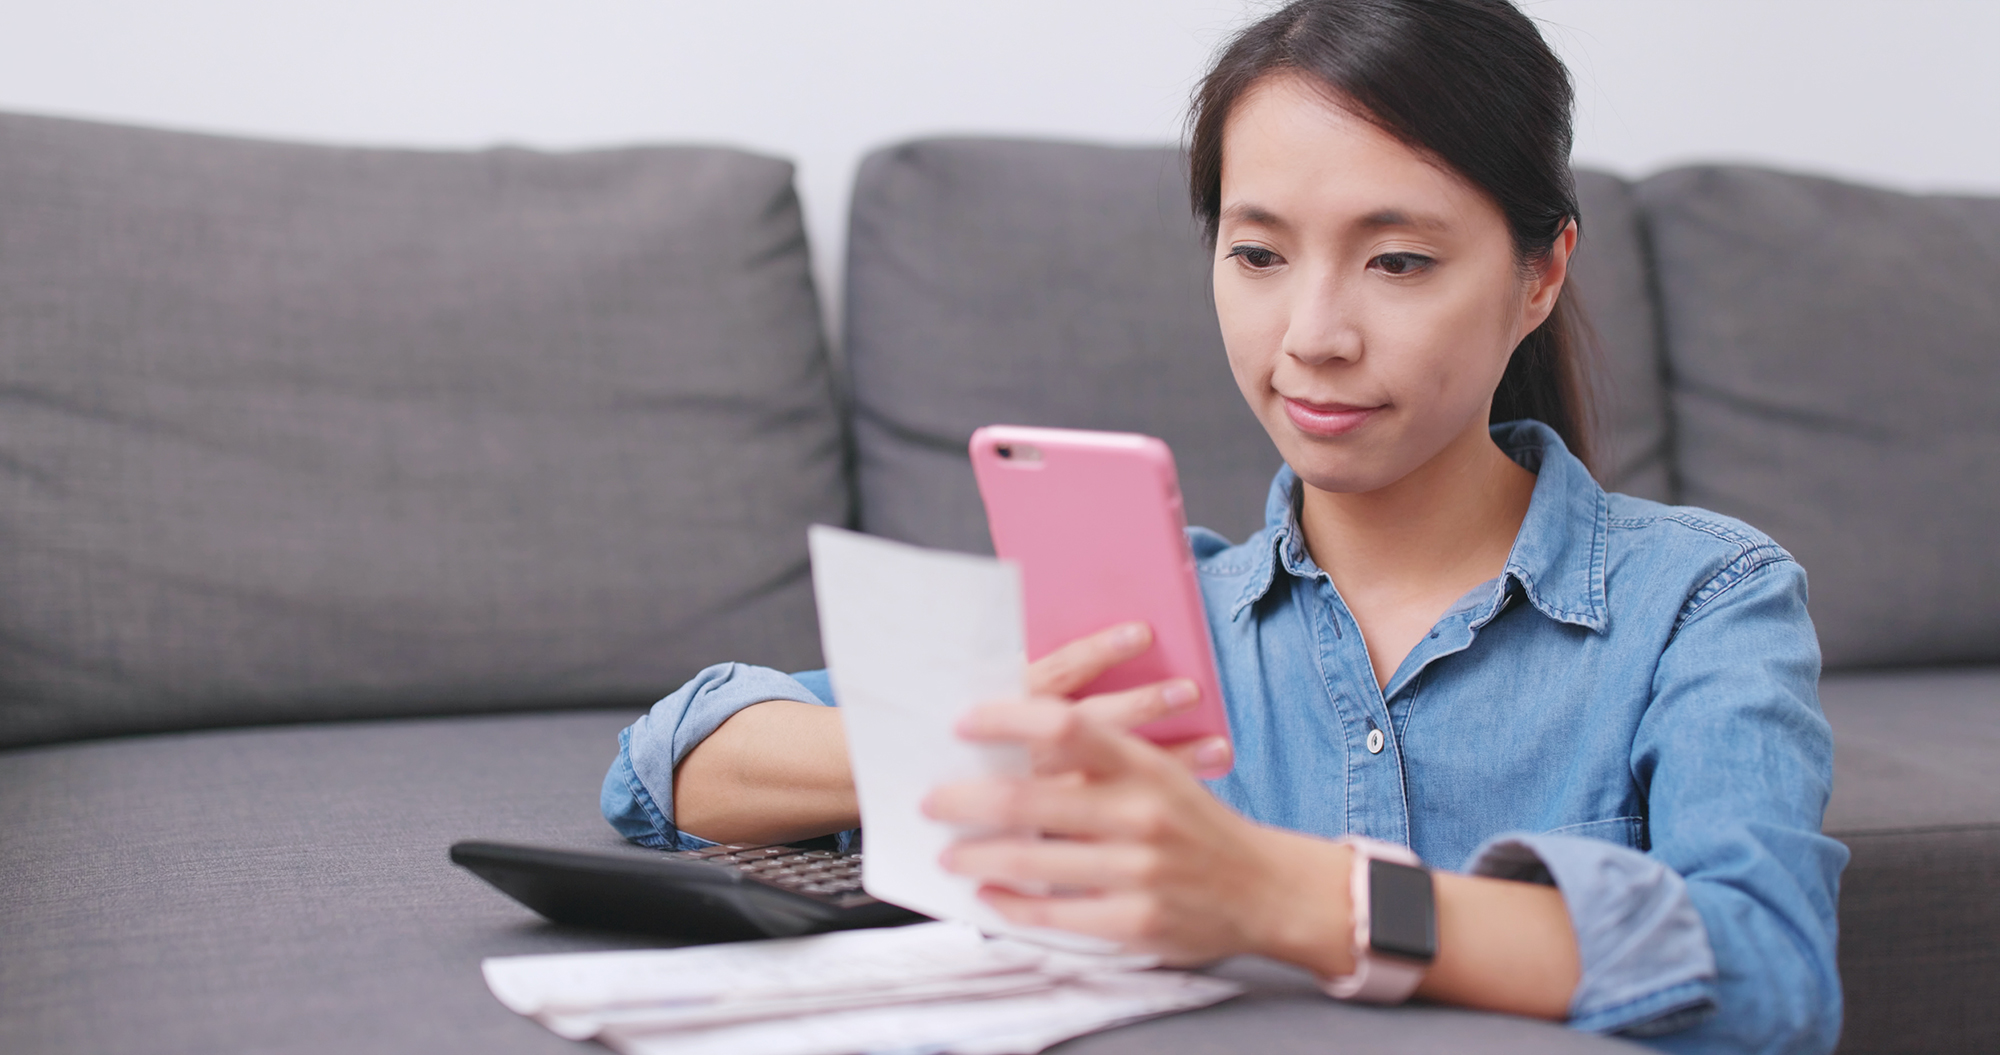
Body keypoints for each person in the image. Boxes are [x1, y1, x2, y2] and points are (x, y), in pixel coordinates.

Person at [600, 1, 1845, 1050]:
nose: (1311, 334)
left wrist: (1274, 891)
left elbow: (1769, 977)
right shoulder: (1146, 629)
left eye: (1397, 260)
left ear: (1539, 273)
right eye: (1257, 255)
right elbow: (668, 762)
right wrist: (982, 739)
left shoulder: (1701, 597)